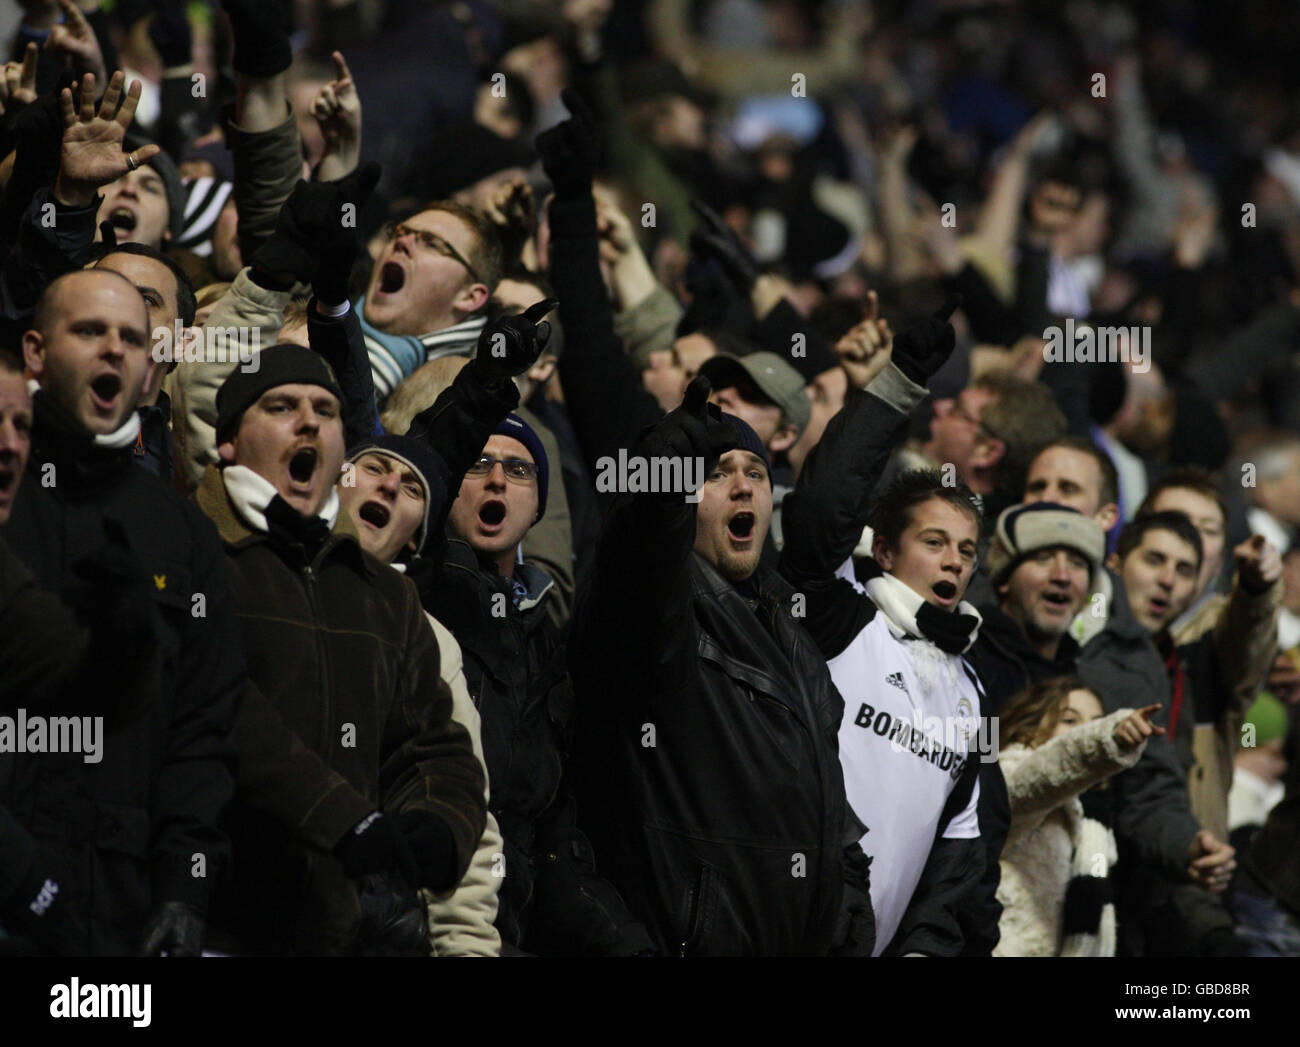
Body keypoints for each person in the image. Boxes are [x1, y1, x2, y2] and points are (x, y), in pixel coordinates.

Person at [195, 342, 486, 955]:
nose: (309, 422)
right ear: (228, 443)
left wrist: (440, 819)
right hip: (204, 919)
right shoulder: (190, 550)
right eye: (281, 406)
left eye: (326, 411)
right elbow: (219, 707)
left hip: (328, 932)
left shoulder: (387, 596)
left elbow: (431, 743)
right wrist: (344, 820)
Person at [569, 374, 873, 956]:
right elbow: (639, 553)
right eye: (716, 473)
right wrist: (659, 480)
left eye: (755, 473)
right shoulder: (658, 611)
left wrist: (848, 900)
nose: (742, 488)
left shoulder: (791, 633)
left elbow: (823, 798)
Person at [4, 269, 241, 956]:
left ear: (148, 371)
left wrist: (184, 886)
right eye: (89, 331)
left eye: (132, 339)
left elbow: (203, 726)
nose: (114, 348)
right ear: (36, 351)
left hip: (113, 905)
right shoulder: (7, 491)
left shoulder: (184, 532)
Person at [779, 299, 994, 955]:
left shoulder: (972, 693)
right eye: (934, 542)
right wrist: (898, 382)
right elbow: (821, 512)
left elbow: (959, 859)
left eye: (966, 550)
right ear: (887, 553)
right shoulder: (840, 617)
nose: (954, 560)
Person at [336, 433, 504, 957]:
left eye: (412, 488)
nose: (389, 485)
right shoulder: (259, 579)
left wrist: (466, 947)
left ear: (415, 538)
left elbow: (464, 809)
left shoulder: (430, 641)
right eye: (373, 468)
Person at [994, 677, 1158, 956]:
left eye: (1095, 722)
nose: (1084, 730)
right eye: (1069, 720)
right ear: (1029, 724)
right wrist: (1106, 737)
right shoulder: (1010, 774)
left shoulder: (1094, 815)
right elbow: (1041, 775)